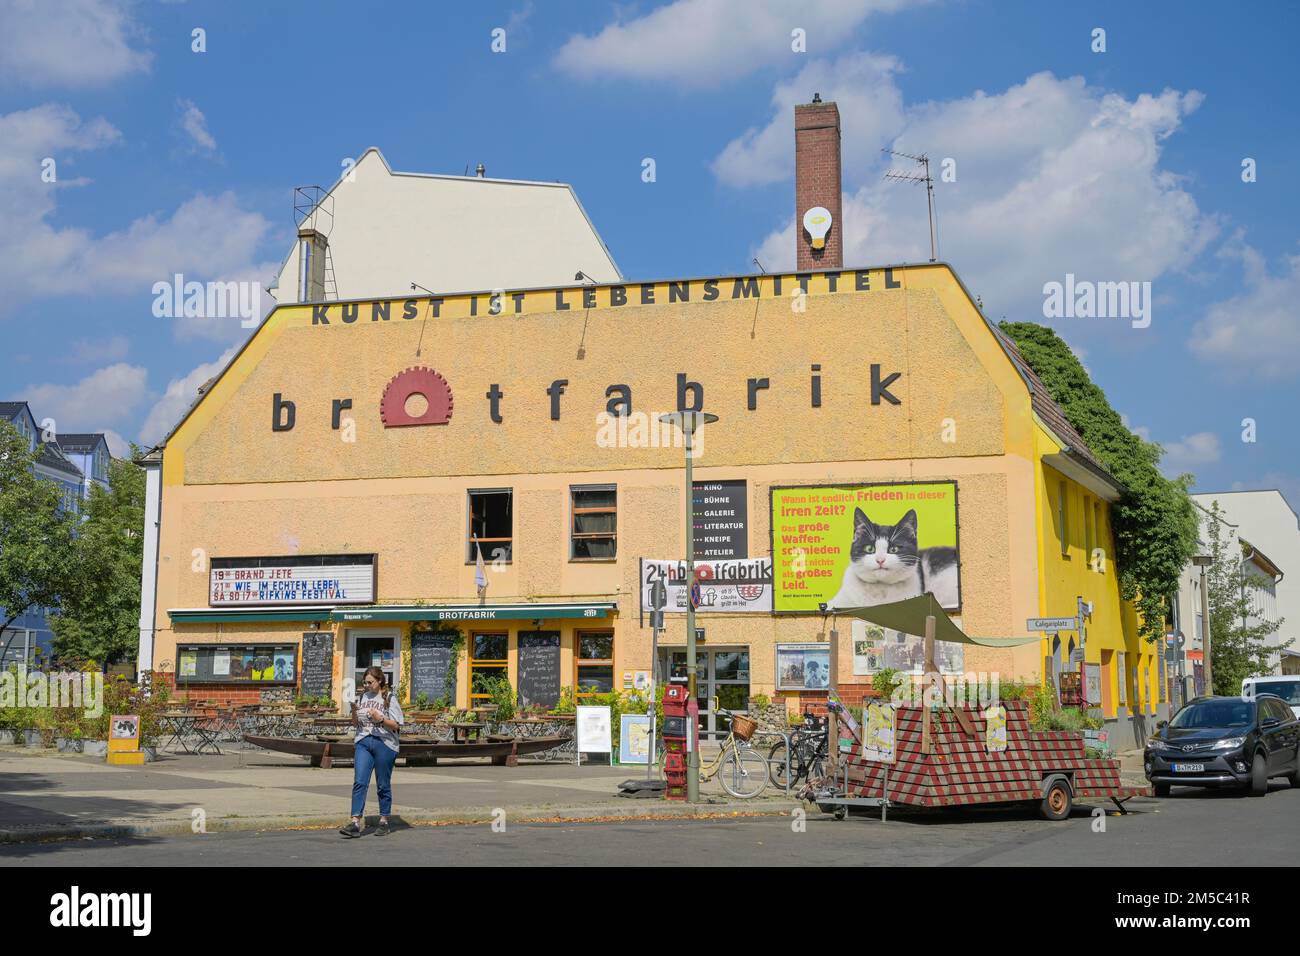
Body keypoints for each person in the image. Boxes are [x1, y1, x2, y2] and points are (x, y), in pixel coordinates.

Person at [339, 666, 404, 838]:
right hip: (363, 741)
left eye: (370, 682)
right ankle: (354, 822)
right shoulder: (362, 697)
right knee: (360, 781)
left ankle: (384, 820)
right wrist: (354, 710)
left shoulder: (389, 698)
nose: (366, 685)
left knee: (383, 784)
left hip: (384, 743)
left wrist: (380, 719)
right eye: (365, 682)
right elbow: (355, 724)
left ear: (380, 681)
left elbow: (397, 725)